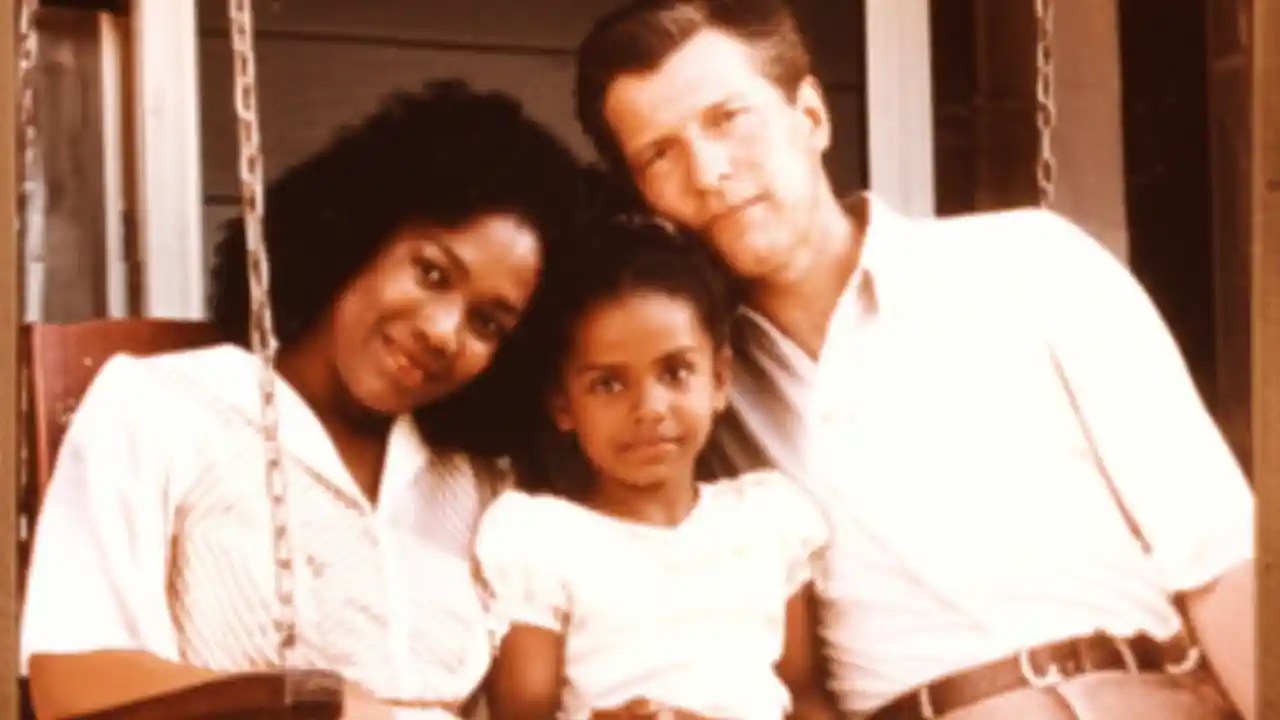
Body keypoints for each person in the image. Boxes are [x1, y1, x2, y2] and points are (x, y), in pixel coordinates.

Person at [572, 2, 1256, 719]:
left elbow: (1217, 552)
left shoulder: (1030, 263)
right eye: (659, 154)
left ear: (810, 116)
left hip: (1142, 696)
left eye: (728, 118)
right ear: (643, 198)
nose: (707, 171)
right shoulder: (691, 405)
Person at [21, 79, 585, 720]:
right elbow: (68, 683)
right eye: (430, 272)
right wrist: (326, 703)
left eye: (487, 322)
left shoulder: (475, 483)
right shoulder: (165, 406)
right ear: (357, 237)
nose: (441, 331)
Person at [472, 212, 840, 720]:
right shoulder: (543, 542)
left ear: (719, 378)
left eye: (676, 372)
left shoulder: (767, 519)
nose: (649, 407)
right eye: (609, 383)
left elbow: (806, 698)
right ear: (563, 404)